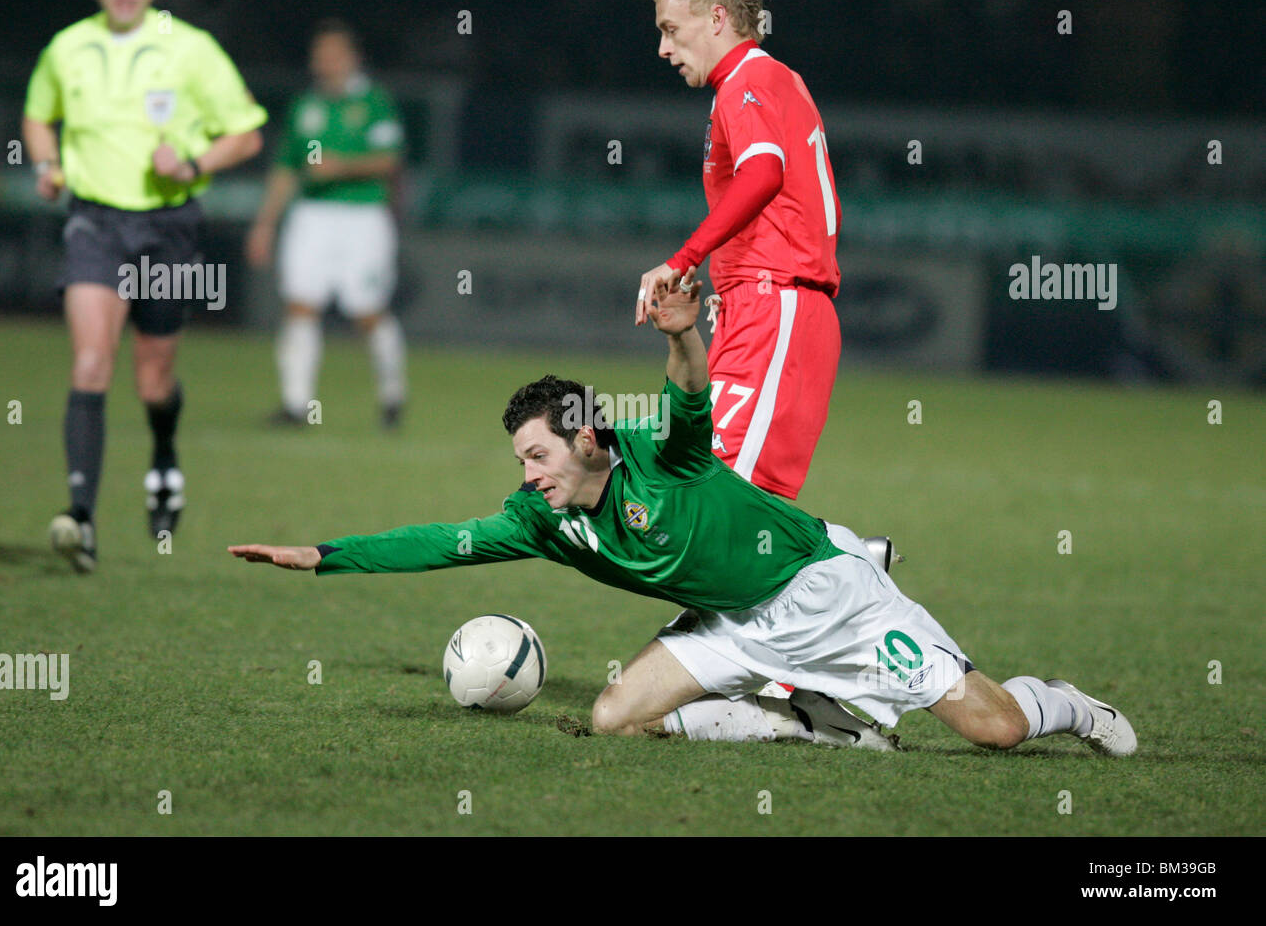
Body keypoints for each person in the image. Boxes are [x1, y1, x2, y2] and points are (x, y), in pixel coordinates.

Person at [229, 268, 1136, 758]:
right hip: (732, 626)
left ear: (587, 438)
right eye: (521, 462)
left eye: (538, 454)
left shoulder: (664, 448)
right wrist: (325, 554)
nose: (528, 476)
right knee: (617, 717)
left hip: (828, 595)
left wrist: (680, 331)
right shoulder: (540, 520)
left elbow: (690, 390)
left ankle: (1066, 705)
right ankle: (807, 724)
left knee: (994, 731)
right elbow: (442, 542)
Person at [24, 0, 265, 572]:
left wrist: (190, 165)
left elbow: (247, 134)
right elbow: (37, 116)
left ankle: (163, 452)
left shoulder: (192, 48)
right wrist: (46, 165)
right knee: (90, 362)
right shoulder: (68, 46)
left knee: (153, 381)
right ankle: (80, 519)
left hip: (168, 227)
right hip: (95, 222)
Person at [637, 0, 843, 504]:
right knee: (709, 503)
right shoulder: (765, 80)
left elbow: (763, 174)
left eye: (670, 29)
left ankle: (859, 567)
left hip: (776, 306)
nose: (663, 48)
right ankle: (856, 564)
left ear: (716, 17)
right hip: (756, 308)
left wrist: (683, 257)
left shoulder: (748, 81)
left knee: (721, 510)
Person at [245, 18, 408, 429]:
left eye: (334, 53)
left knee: (367, 311)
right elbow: (285, 168)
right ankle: (296, 404)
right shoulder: (306, 106)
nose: (325, 61)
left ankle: (392, 395)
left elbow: (390, 160)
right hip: (312, 216)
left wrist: (341, 166)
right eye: (320, 54)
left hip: (363, 215)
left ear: (353, 57)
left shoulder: (374, 102)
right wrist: (265, 223)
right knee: (301, 304)